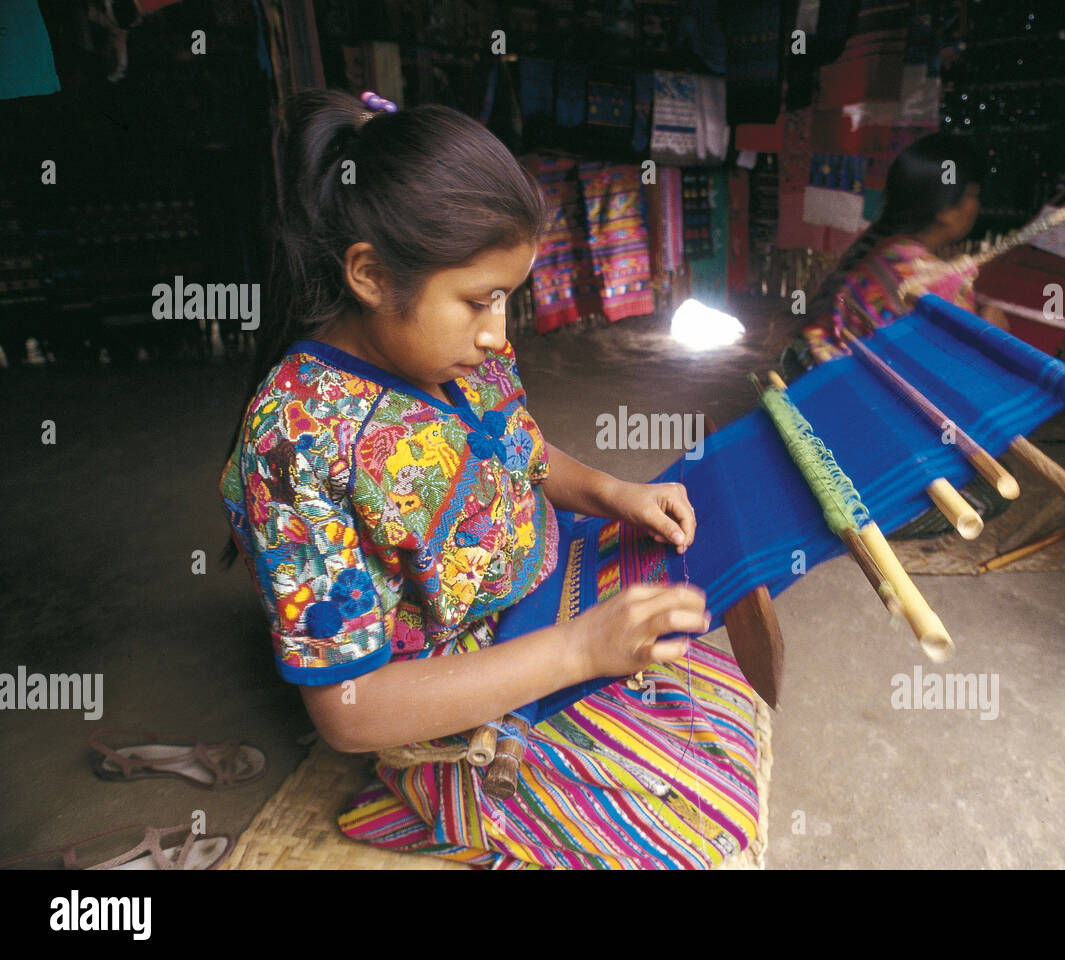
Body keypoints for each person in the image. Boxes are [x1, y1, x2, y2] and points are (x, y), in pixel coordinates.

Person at [218, 90, 760, 869]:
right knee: (697, 838)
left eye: (507, 297)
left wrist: (615, 495)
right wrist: (578, 652)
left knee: (713, 691)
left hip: (551, 586)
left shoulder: (462, 353)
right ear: (370, 274)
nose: (499, 333)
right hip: (457, 702)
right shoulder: (296, 441)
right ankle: (429, 802)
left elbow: (522, 452)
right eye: (479, 300)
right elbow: (347, 708)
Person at [780, 133, 1008, 379]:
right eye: (972, 194)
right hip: (854, 401)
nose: (976, 205)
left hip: (816, 384)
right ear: (945, 210)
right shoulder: (944, 284)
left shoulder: (884, 254)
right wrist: (990, 338)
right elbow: (954, 380)